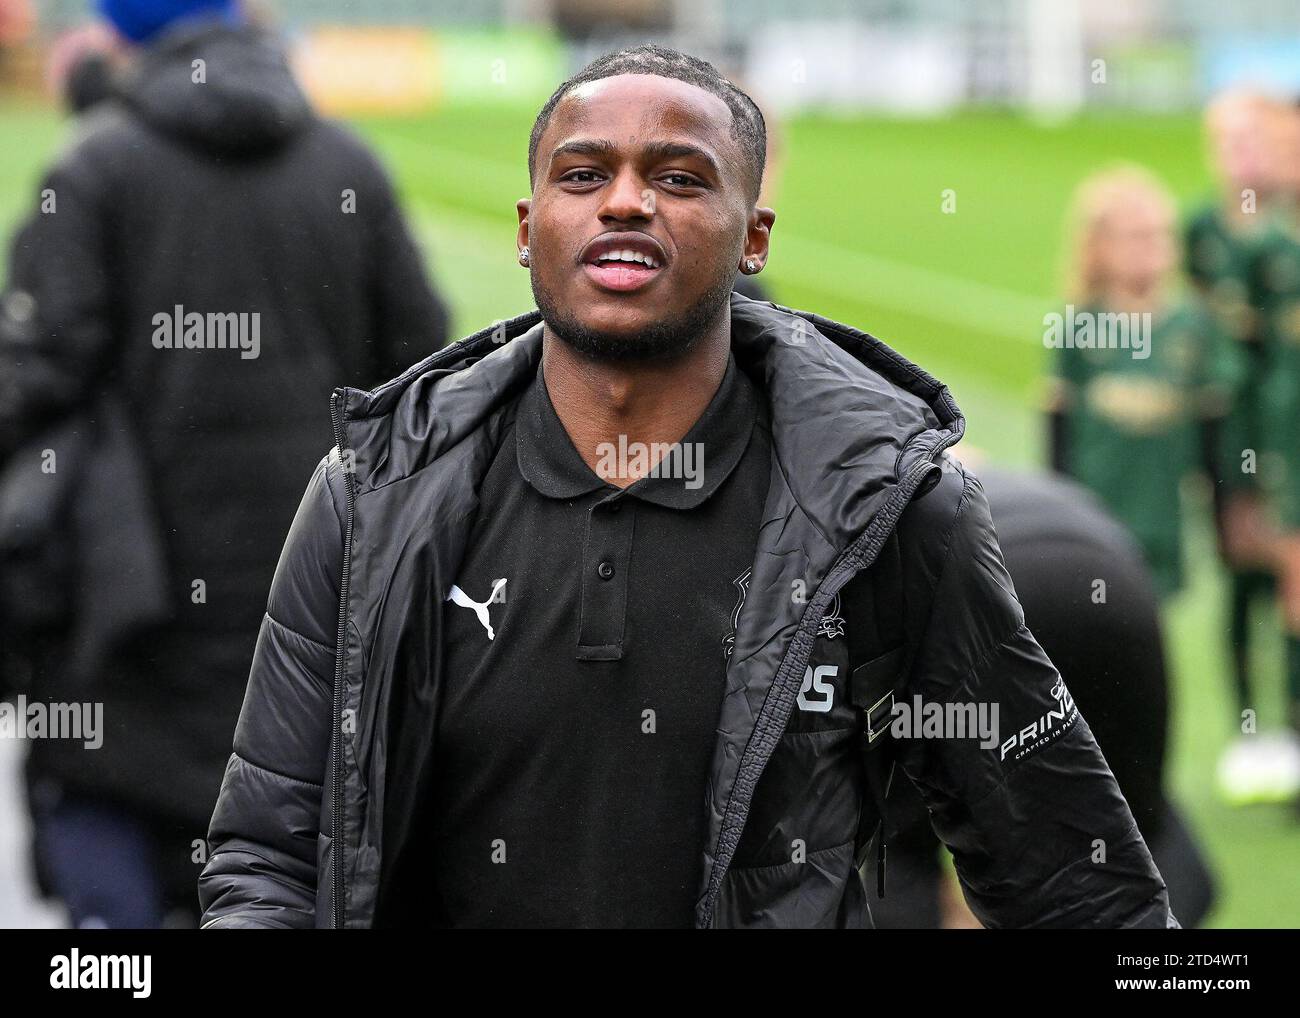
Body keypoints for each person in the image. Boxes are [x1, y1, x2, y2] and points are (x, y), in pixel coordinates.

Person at [200, 45, 1174, 929]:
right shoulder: (374, 494)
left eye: (678, 177)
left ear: (754, 238)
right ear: (529, 229)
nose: (625, 202)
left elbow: (1071, 880)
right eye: (584, 175)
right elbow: (266, 845)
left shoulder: (885, 510)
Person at [0, 0, 446, 927]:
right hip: (317, 599)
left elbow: (32, 378)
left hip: (126, 614)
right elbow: (423, 374)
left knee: (116, 913)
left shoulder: (94, 170)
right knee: (278, 862)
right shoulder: (345, 165)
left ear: (121, 32)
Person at [871, 468, 1217, 928]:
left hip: (986, 590)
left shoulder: (906, 498)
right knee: (1135, 822)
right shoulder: (989, 482)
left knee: (896, 846)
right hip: (1114, 588)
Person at [1046, 166, 1240, 598]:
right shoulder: (1080, 327)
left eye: (1160, 235)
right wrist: (1057, 518)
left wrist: (1223, 520)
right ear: (1099, 247)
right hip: (1093, 522)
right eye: (1136, 236)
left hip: (1161, 526)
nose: (1152, 248)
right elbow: (1058, 435)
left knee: (1148, 628)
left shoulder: (1192, 327)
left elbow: (1214, 438)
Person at [1185, 92, 1297, 804]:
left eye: (1252, 136)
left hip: (1285, 435)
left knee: (1290, 576)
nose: (1241, 152)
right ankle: (1249, 733)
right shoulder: (1201, 229)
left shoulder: (1284, 235)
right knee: (1241, 575)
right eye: (1227, 138)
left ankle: (1288, 728)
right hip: (1229, 441)